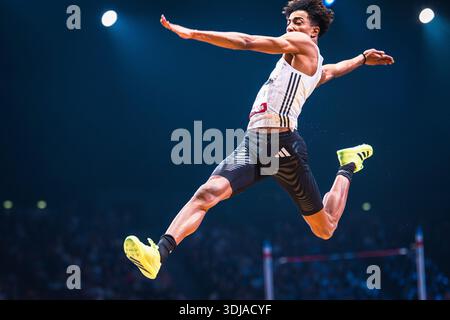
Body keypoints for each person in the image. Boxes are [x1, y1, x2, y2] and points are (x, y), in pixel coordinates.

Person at [123, 0, 394, 280]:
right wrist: (361, 59)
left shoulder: (305, 46)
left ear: (313, 32)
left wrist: (193, 33)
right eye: (289, 22)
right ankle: (158, 254)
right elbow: (331, 71)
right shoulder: (302, 64)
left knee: (325, 228)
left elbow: (247, 41)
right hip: (255, 145)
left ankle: (348, 164)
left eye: (298, 22)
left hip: (285, 146)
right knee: (207, 193)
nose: (291, 26)